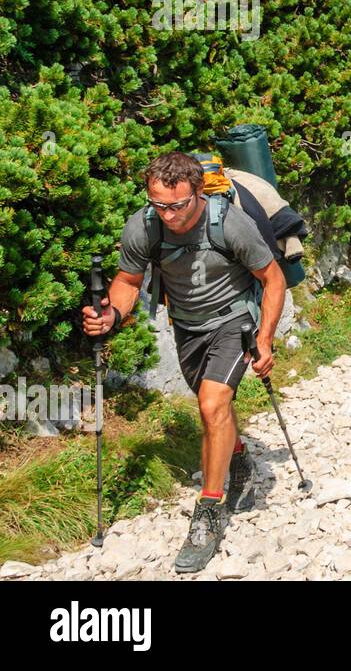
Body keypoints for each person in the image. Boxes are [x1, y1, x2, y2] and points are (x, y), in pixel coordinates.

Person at [81, 152, 286, 574]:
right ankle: (240, 460)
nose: (169, 215)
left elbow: (272, 278)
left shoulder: (229, 222)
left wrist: (264, 339)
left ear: (197, 193)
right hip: (186, 326)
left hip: (234, 322)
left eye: (178, 205)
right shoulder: (145, 225)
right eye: (159, 204)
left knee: (212, 404)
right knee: (215, 411)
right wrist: (111, 316)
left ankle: (208, 512)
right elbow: (128, 281)